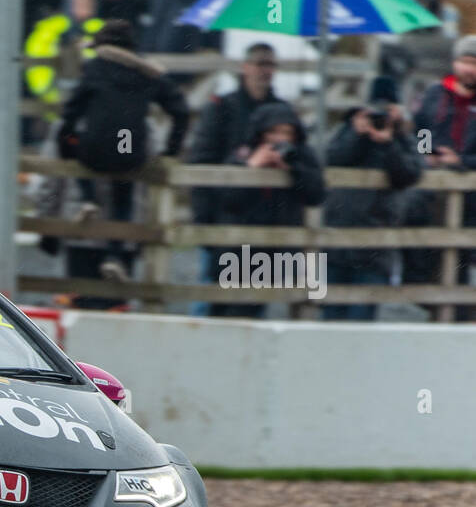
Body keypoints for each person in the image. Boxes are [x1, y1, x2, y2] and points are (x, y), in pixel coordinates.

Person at [56, 20, 188, 281]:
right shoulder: (147, 73)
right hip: (129, 152)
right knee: (123, 199)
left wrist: (68, 138)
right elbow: (180, 111)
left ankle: (88, 198)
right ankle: (115, 255)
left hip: (92, 149)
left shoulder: (94, 68)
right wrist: (170, 151)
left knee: (72, 149)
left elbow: (70, 112)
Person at [186, 43, 283, 301]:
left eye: (271, 64)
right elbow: (201, 164)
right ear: (245, 67)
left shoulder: (282, 112)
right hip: (224, 219)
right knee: (211, 301)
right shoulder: (222, 108)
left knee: (255, 304)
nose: (266, 71)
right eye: (260, 63)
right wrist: (203, 220)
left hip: (265, 225)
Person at [210, 102, 326, 317]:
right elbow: (227, 200)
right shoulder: (243, 153)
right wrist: (251, 167)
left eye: (286, 132)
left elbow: (316, 194)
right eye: (273, 132)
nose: (279, 138)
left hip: (277, 251)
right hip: (238, 250)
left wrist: (293, 170)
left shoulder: (301, 154)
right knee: (224, 313)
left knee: (254, 312)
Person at [322, 78, 423, 320]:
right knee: (328, 324)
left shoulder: (402, 136)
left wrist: (389, 141)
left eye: (386, 109)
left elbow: (409, 174)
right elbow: (330, 160)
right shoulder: (350, 129)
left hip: (375, 250)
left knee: (361, 324)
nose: (380, 115)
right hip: (336, 243)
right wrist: (358, 133)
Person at [409, 34, 476, 319]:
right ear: (455, 63)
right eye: (465, 62)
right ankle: (437, 312)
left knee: (460, 259)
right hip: (434, 193)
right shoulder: (436, 94)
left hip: (470, 195)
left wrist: (461, 161)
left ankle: (457, 317)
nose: (469, 69)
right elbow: (421, 127)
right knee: (431, 256)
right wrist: (428, 154)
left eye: (474, 63)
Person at [142, 0, 223, 82]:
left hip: (193, 75)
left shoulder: (208, 0)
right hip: (160, 73)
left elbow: (215, 42)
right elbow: (152, 34)